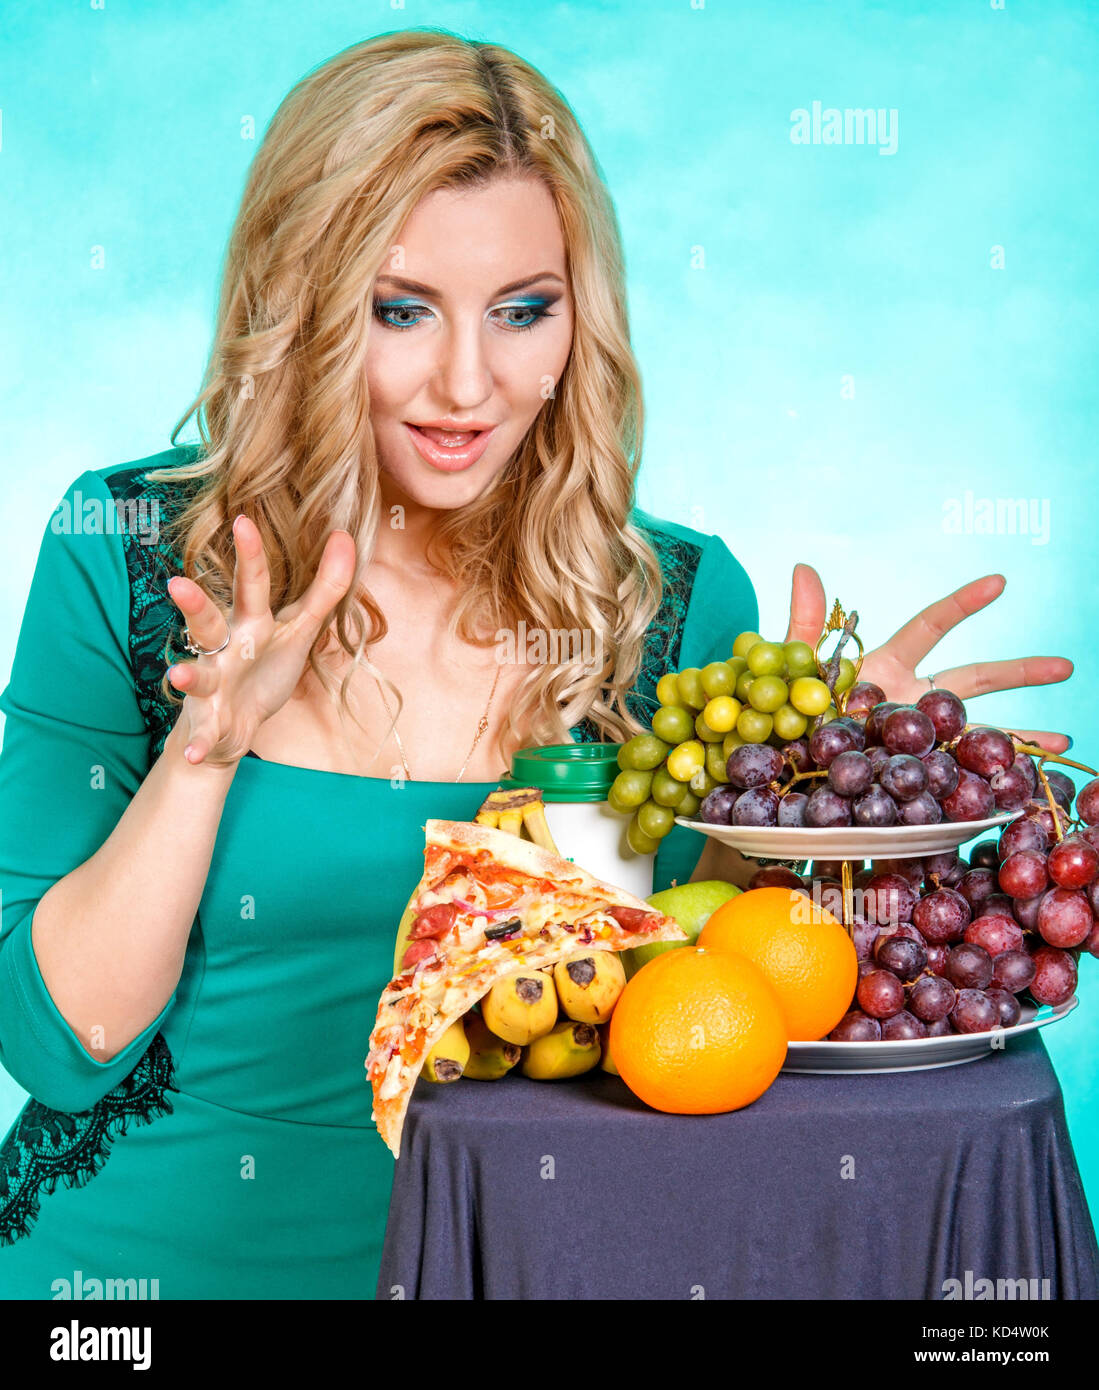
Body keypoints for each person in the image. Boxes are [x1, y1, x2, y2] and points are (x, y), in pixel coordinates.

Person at [0, 29, 1071, 1300]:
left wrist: (821, 806)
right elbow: (62, 1045)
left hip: (541, 1270)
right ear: (298, 303)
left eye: (522, 311)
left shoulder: (675, 604)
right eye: (399, 310)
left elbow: (704, 1018)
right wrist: (202, 756)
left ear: (580, 315)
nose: (468, 384)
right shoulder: (132, 554)